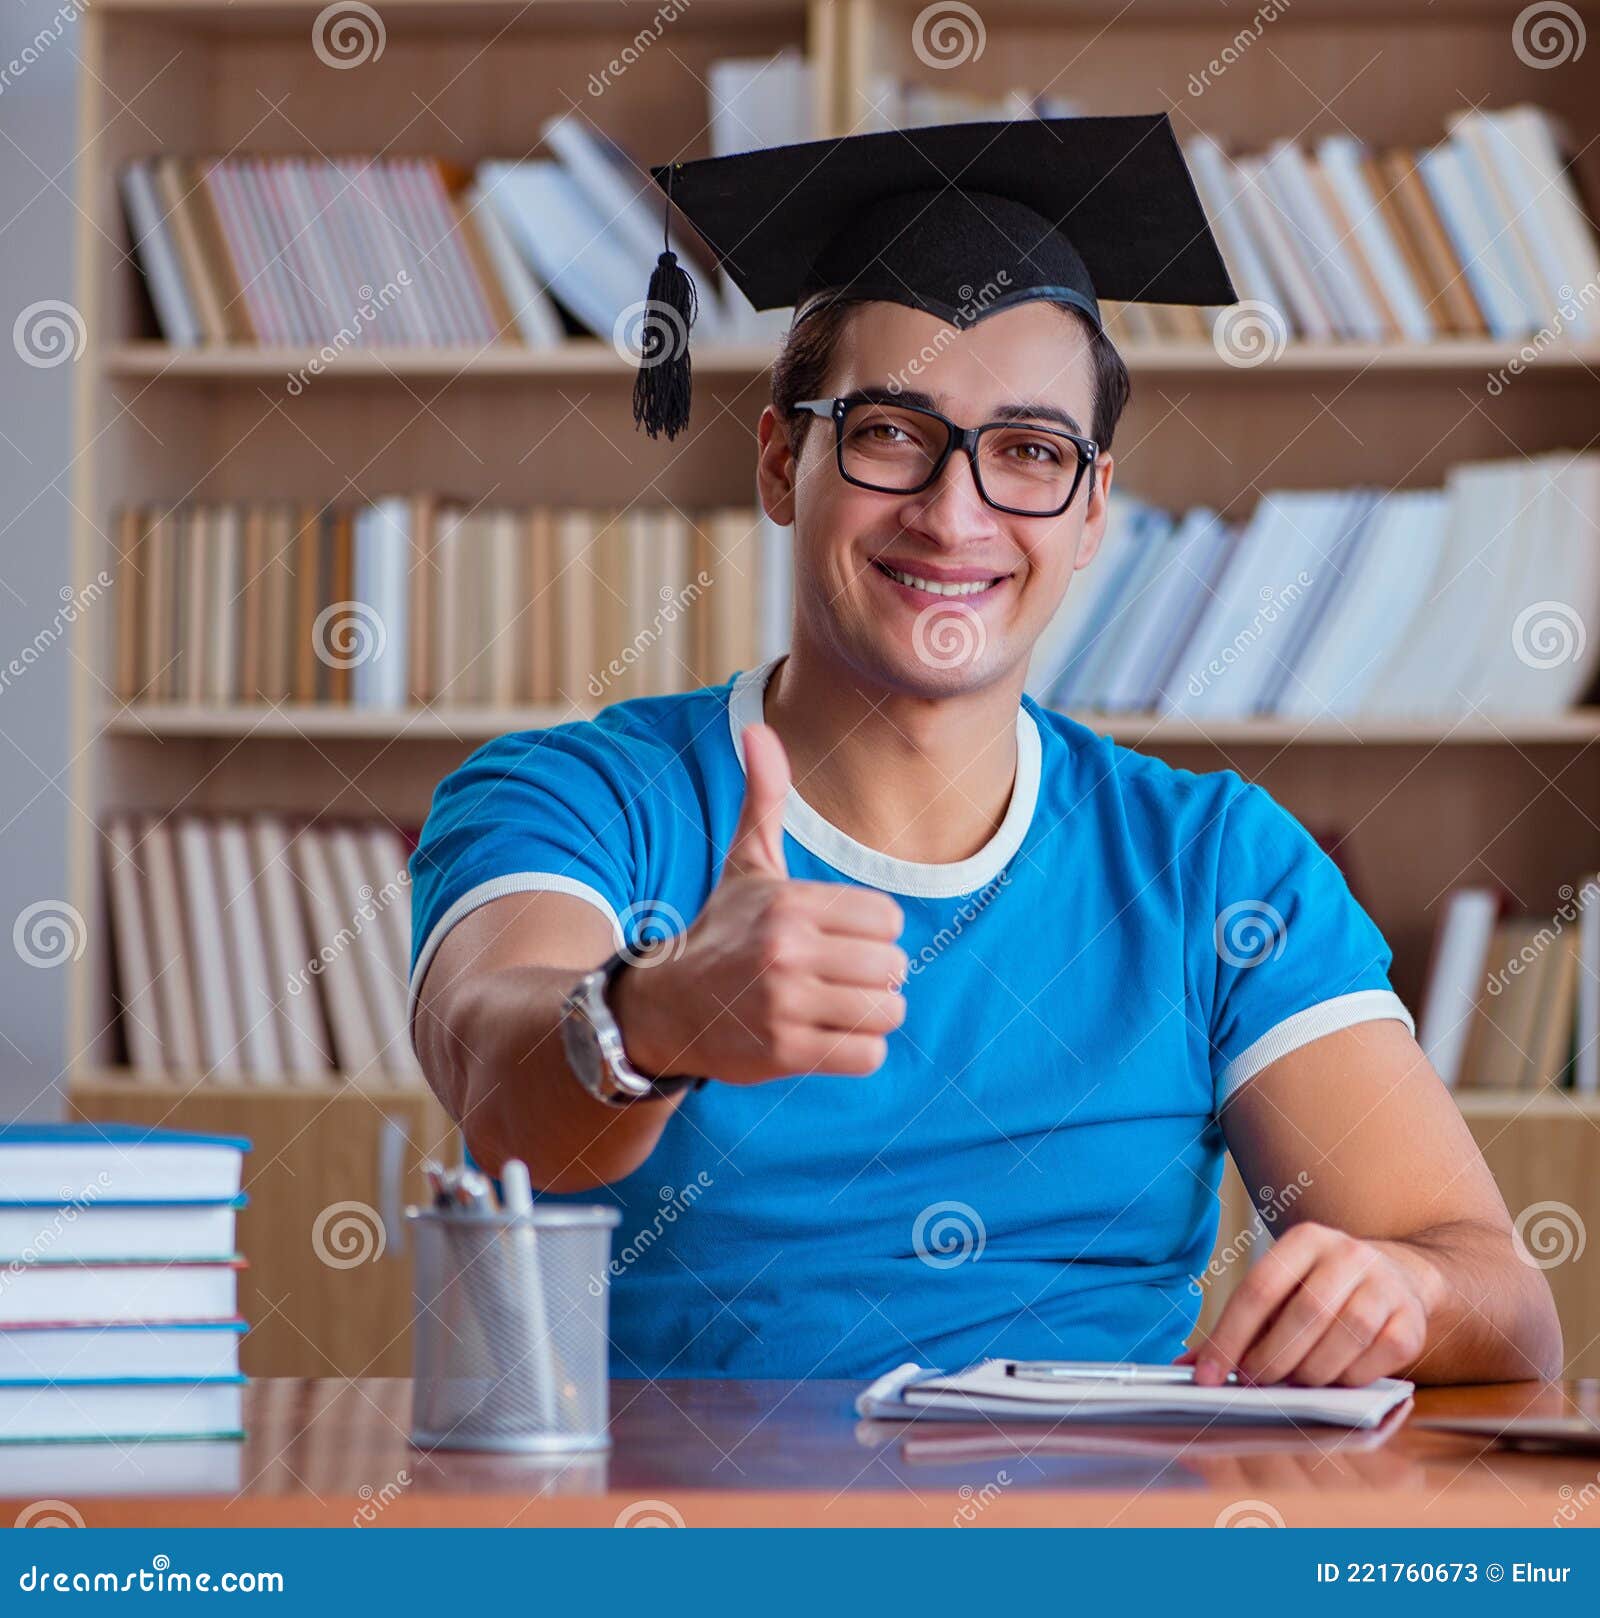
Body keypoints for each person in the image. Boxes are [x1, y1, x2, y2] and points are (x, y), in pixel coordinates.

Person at [409, 115, 1561, 1387]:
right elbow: (494, 1072)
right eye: (891, 431)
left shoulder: (1214, 868)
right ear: (783, 459)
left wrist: (1401, 1289)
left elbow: (1505, 1307)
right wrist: (654, 1015)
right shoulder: (578, 800)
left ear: (1091, 510)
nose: (954, 513)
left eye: (1027, 453)